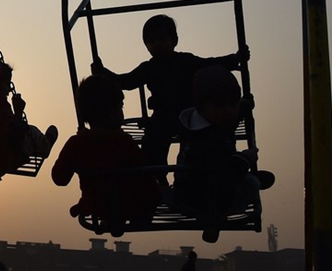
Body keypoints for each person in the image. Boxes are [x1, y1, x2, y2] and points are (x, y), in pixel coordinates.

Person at [92, 14, 249, 183]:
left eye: (162, 39)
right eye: (151, 41)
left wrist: (234, 59)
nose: (157, 44)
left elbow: (209, 64)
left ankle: (188, 178)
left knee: (197, 143)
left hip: (188, 115)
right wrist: (104, 73)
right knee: (152, 145)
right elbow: (127, 81)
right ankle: (157, 179)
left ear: (174, 40)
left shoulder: (185, 60)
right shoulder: (148, 68)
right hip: (162, 117)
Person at [173, 65, 275, 243]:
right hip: (201, 196)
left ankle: (247, 178)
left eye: (232, 104)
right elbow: (222, 174)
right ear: (202, 107)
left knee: (243, 178)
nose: (229, 110)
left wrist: (243, 107)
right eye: (220, 105)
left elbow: (231, 120)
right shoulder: (203, 141)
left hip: (203, 185)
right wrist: (245, 159)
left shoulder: (211, 122)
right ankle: (214, 222)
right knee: (249, 185)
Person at [51, 75, 160, 233]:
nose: (122, 113)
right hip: (129, 206)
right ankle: (140, 218)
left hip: (97, 207)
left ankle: (111, 220)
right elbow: (145, 176)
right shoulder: (124, 143)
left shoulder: (76, 143)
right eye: (120, 107)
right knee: (151, 185)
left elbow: (59, 178)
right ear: (112, 111)